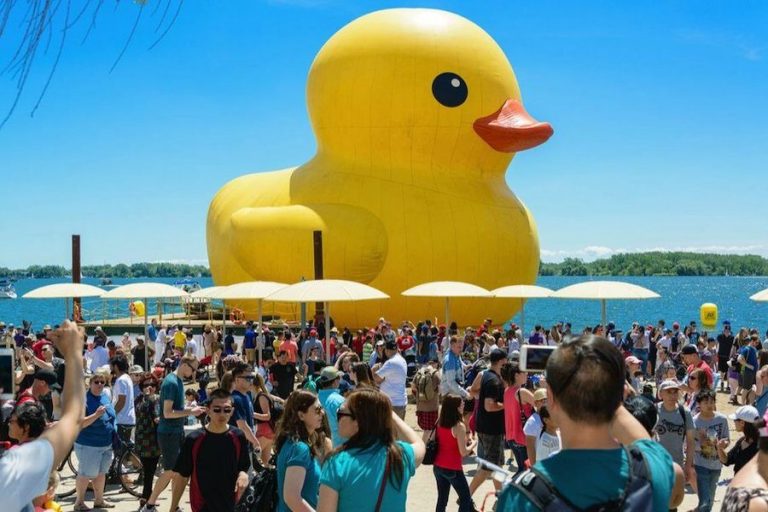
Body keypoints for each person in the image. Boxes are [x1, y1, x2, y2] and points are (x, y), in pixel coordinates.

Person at [497, 334, 674, 511]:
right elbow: (641, 439)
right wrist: (610, 388)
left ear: (549, 398)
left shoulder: (521, 497)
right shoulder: (653, 469)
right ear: (618, 396)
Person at [317, 389, 425, 512]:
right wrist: (390, 414)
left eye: (340, 413)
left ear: (358, 423)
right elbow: (419, 445)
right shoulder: (399, 455)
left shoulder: (336, 463)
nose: (337, 419)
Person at [140, 355, 205, 512]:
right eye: (193, 368)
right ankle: (149, 504)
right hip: (169, 433)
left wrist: (191, 410)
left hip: (175, 432)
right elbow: (167, 413)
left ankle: (173, 506)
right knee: (170, 470)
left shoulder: (178, 381)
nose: (194, 372)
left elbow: (175, 409)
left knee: (178, 472)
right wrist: (190, 411)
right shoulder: (171, 383)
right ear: (184, 364)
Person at [170, 388, 250, 512]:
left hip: (231, 504)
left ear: (232, 411)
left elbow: (243, 467)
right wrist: (173, 507)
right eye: (217, 409)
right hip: (202, 505)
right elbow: (182, 476)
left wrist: (243, 475)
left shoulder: (238, 437)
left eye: (227, 410)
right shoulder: (194, 439)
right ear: (208, 411)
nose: (222, 414)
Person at [276, 390, 332, 512]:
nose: (322, 413)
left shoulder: (291, 442)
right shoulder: (299, 448)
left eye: (321, 408)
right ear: (301, 415)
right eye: (317, 410)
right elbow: (292, 498)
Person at [74, 370, 117, 511]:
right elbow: (79, 424)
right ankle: (79, 503)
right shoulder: (83, 400)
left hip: (106, 443)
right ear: (90, 383)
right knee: (85, 474)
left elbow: (111, 415)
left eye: (102, 382)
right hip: (88, 444)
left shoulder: (105, 396)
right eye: (96, 382)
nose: (99, 384)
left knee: (101, 473)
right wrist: (96, 415)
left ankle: (99, 500)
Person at [469, 348, 508, 496]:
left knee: (496, 464)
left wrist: (483, 394)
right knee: (488, 467)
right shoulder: (494, 380)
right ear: (500, 361)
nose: (507, 363)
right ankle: (467, 495)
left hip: (484, 426)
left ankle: (500, 495)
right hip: (492, 429)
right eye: (505, 361)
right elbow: (489, 406)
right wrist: (506, 404)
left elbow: (472, 390)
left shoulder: (483, 374)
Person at [432, 394, 477, 512]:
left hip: (438, 465)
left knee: (442, 499)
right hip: (453, 468)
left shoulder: (440, 421)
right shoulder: (459, 426)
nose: (463, 405)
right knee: (465, 498)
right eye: (461, 404)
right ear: (456, 408)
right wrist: (474, 444)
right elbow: (463, 452)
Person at [692, 389, 730, 512]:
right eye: (705, 402)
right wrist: (704, 444)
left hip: (717, 465)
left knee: (710, 498)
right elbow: (688, 444)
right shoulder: (694, 422)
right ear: (699, 404)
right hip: (700, 465)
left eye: (711, 402)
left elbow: (727, 439)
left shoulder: (722, 419)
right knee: (705, 501)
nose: (709, 405)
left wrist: (723, 443)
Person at [654, 379, 696, 489]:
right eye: (668, 392)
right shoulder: (654, 410)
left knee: (673, 500)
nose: (672, 395)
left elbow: (691, 442)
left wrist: (687, 465)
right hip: (656, 463)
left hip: (677, 463)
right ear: (660, 393)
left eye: (675, 392)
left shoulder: (684, 412)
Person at [500, 361, 534, 473]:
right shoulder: (522, 392)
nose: (527, 374)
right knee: (527, 472)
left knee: (522, 470)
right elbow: (541, 404)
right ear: (516, 375)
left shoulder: (507, 391)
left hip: (511, 437)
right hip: (523, 438)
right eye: (524, 372)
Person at [135, 375, 162, 507]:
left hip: (144, 440)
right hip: (150, 440)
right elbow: (157, 419)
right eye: (146, 385)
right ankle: (147, 498)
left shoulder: (142, 399)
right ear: (142, 387)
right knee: (149, 471)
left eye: (152, 384)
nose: (149, 387)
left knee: (148, 471)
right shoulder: (150, 399)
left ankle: (147, 497)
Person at [720, 405, 760, 475]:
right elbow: (727, 460)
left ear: (742, 423)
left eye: (735, 420)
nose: (734, 422)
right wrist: (719, 448)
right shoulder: (742, 441)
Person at [373, 340, 408, 419]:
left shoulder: (390, 362)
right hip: (400, 401)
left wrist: (375, 368)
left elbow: (376, 378)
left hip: (393, 403)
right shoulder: (402, 360)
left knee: (390, 430)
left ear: (387, 350)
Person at [411, 358, 441, 442]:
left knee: (426, 430)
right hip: (432, 407)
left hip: (420, 407)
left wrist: (419, 396)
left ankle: (426, 447)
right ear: (436, 364)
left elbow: (413, 387)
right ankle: (425, 449)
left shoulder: (419, 372)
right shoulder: (436, 374)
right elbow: (440, 390)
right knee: (430, 430)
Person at [317, 366, 346, 447]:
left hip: (320, 449)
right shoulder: (339, 401)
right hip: (339, 449)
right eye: (339, 378)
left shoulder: (315, 399)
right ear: (335, 381)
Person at [109, 354, 136, 444]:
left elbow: (121, 401)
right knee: (125, 451)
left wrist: (112, 414)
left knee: (122, 451)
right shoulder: (127, 377)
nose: (110, 368)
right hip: (127, 418)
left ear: (116, 366)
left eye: (111, 365)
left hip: (122, 420)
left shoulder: (121, 380)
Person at [251, 373, 275, 466]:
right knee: (266, 462)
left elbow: (267, 416)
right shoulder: (259, 395)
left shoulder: (261, 396)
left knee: (252, 455)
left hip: (265, 431)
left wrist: (252, 414)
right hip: (266, 431)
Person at [523, 388, 549, 466]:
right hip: (540, 462)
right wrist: (534, 466)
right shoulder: (532, 422)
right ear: (536, 403)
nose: (546, 403)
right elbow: (530, 447)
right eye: (543, 401)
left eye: (547, 400)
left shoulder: (551, 418)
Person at [718, 321, 736, 392]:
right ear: (724, 330)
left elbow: (733, 347)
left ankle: (728, 386)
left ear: (730, 331)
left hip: (729, 357)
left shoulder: (732, 338)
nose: (727, 331)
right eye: (726, 330)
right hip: (721, 356)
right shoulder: (720, 337)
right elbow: (717, 345)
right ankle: (722, 382)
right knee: (722, 371)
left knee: (728, 371)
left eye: (728, 330)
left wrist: (732, 355)